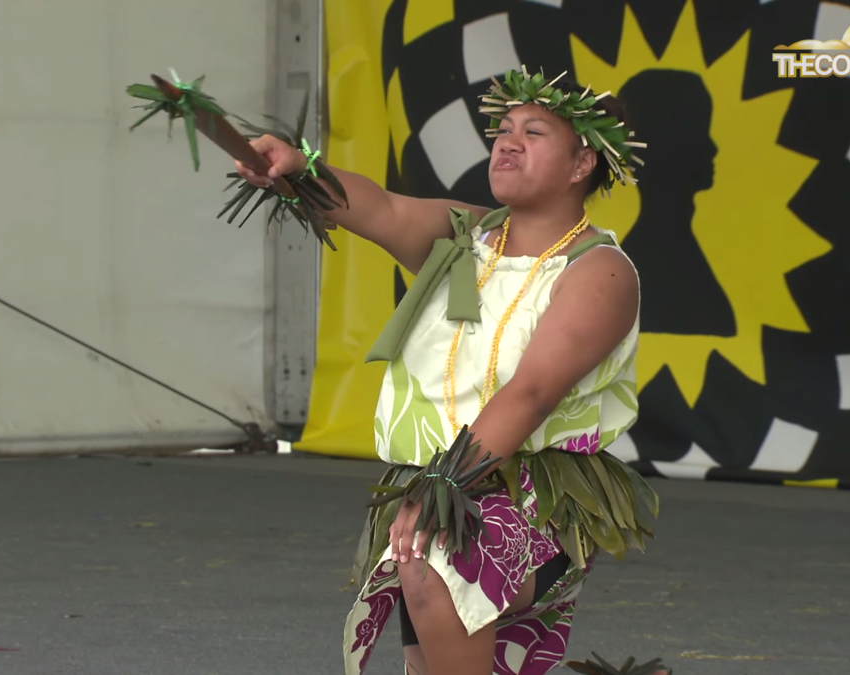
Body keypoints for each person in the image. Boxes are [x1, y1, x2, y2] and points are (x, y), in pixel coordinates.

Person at [235, 66, 665, 675]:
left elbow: (534, 392)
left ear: (581, 164)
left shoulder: (600, 271)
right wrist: (300, 169)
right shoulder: (462, 236)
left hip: (531, 492)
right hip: (429, 487)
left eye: (534, 132)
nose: (508, 142)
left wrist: (447, 489)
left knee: (438, 562)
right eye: (505, 129)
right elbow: (378, 207)